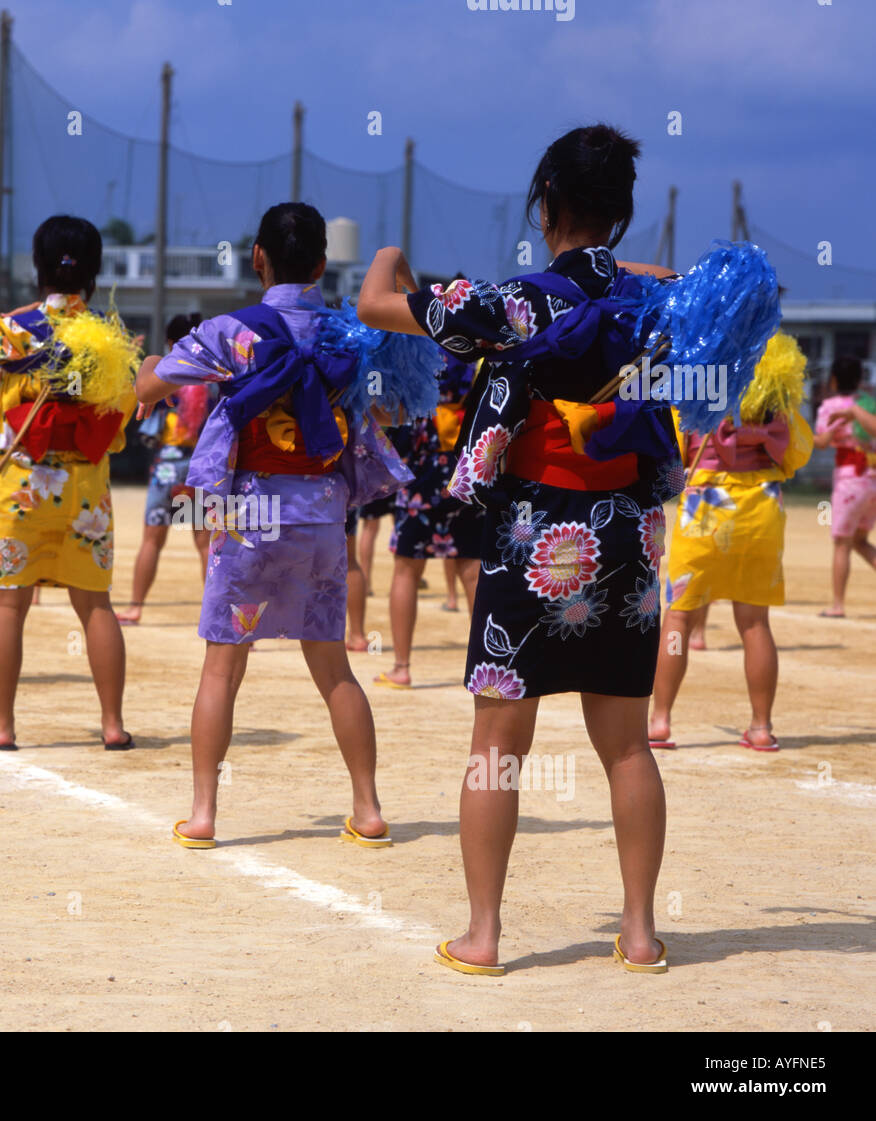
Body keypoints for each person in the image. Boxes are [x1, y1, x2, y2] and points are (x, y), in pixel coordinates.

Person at [358, 125, 679, 974]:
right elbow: (655, 286)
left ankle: (485, 933)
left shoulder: (514, 300)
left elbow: (376, 306)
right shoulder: (657, 303)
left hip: (535, 534)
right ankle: (642, 931)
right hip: (628, 536)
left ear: (546, 207)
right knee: (627, 745)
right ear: (622, 211)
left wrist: (387, 251)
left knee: (498, 743)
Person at [136, 201, 411, 848]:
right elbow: (393, 405)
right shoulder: (350, 332)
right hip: (320, 510)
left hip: (250, 511)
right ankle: (367, 807)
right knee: (334, 666)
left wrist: (149, 364)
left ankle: (203, 814)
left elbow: (151, 389)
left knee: (222, 667)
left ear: (257, 257)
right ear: (321, 263)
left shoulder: (231, 330)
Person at [0, 215, 137, 750]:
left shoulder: (12, 328)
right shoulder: (109, 337)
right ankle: (112, 725)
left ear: (37, 268)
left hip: (24, 484)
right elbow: (124, 408)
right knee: (95, 606)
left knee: (8, 604)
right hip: (86, 486)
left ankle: (3, 728)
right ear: (94, 271)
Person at [649, 333, 813, 751]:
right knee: (755, 623)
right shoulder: (773, 374)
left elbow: (673, 444)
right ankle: (761, 727)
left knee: (680, 618)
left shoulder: (700, 370)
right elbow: (795, 453)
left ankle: (660, 721)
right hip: (761, 507)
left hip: (705, 505)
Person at [375, 354, 483, 688]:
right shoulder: (472, 353)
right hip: (464, 472)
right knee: (473, 569)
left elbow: (390, 413)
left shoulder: (413, 355)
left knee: (407, 568)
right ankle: (486, 663)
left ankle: (401, 666)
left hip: (420, 471)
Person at [116, 313, 212, 624]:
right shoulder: (212, 377)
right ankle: (215, 612)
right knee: (204, 542)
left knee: (152, 540)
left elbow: (141, 400)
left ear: (172, 344)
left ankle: (136, 606)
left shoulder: (166, 375)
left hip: (167, 466)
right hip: (199, 465)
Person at [813, 355, 876, 617]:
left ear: (834, 380)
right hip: (872, 477)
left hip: (851, 480)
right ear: (860, 378)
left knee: (841, 542)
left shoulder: (831, 406)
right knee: (860, 541)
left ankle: (838, 604)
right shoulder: (868, 403)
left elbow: (821, 442)